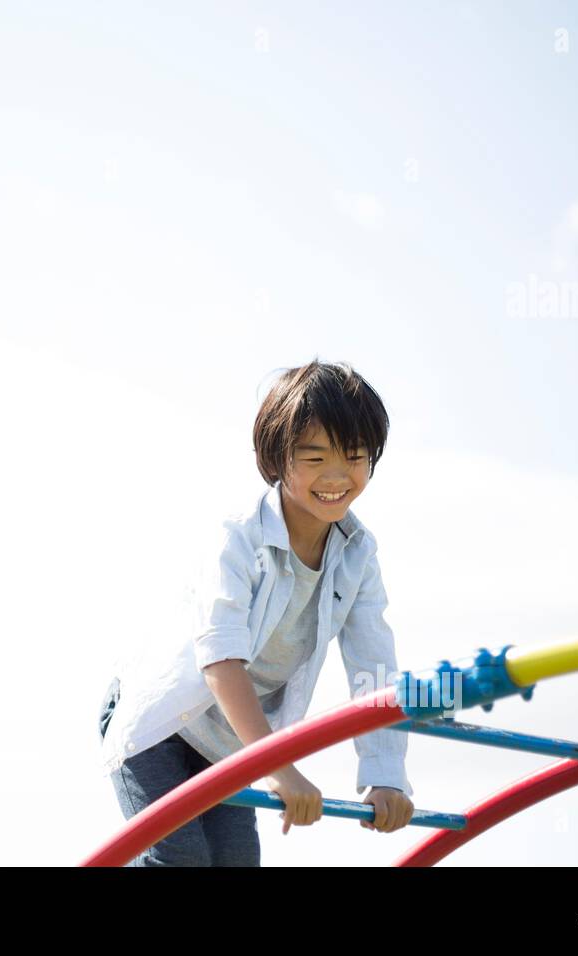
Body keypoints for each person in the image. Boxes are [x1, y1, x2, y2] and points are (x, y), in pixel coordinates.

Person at [96, 358, 415, 866]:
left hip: (229, 742)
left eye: (354, 456)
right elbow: (221, 658)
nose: (336, 477)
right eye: (314, 459)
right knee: (180, 861)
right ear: (277, 458)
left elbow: (373, 668)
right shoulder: (239, 538)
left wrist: (385, 776)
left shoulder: (357, 554)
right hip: (161, 725)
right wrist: (278, 767)